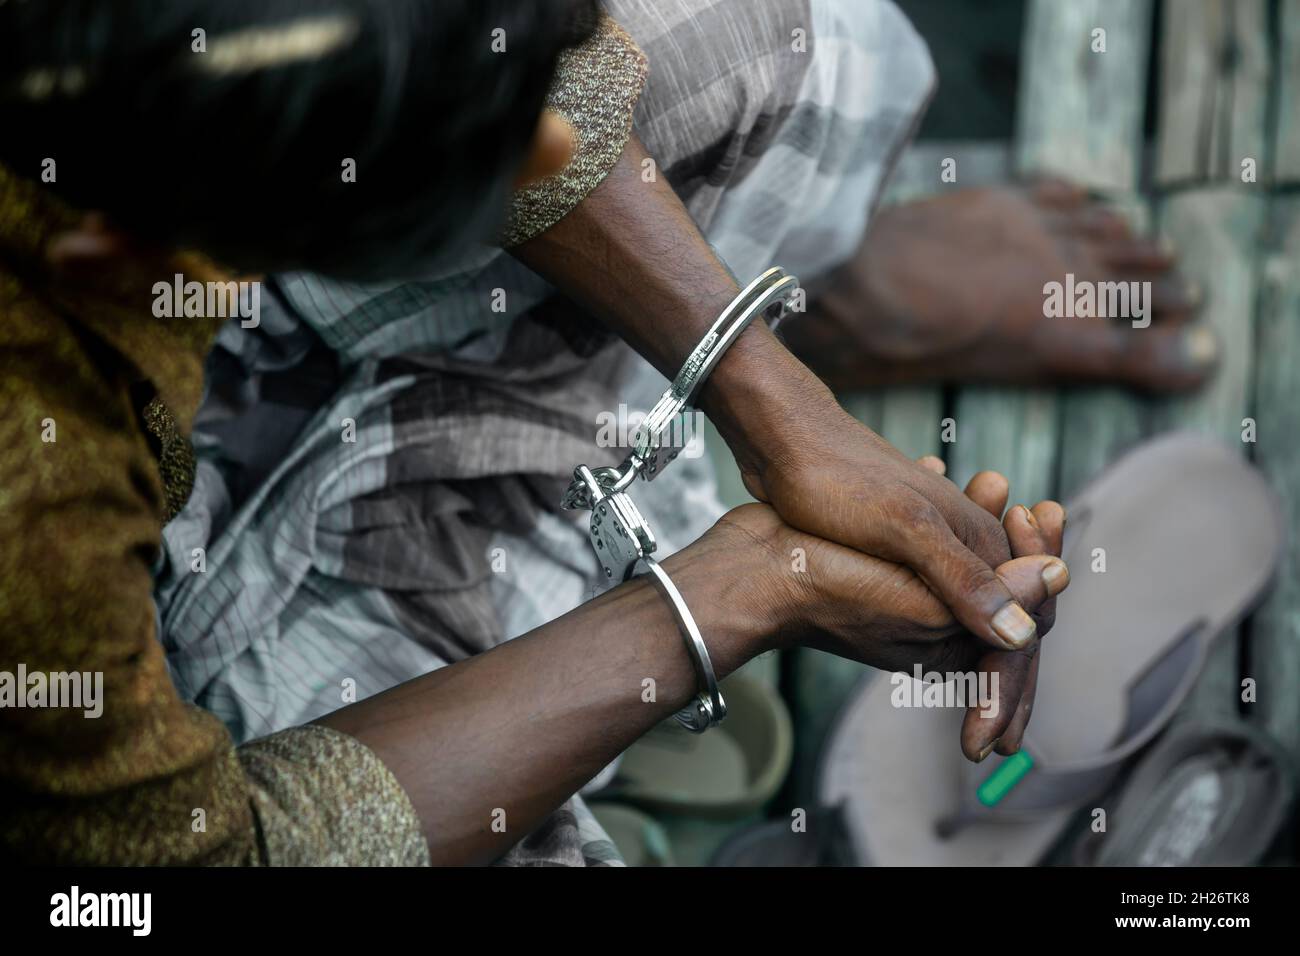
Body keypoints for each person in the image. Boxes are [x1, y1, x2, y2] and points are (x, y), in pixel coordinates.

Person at [0, 0, 1181, 865]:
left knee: (723, 31)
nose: (566, 152)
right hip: (147, 652)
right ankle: (772, 279)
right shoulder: (33, 523)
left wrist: (763, 386)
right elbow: (185, 864)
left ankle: (817, 288)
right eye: (471, 172)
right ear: (121, 266)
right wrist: (740, 590)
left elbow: (546, 68)